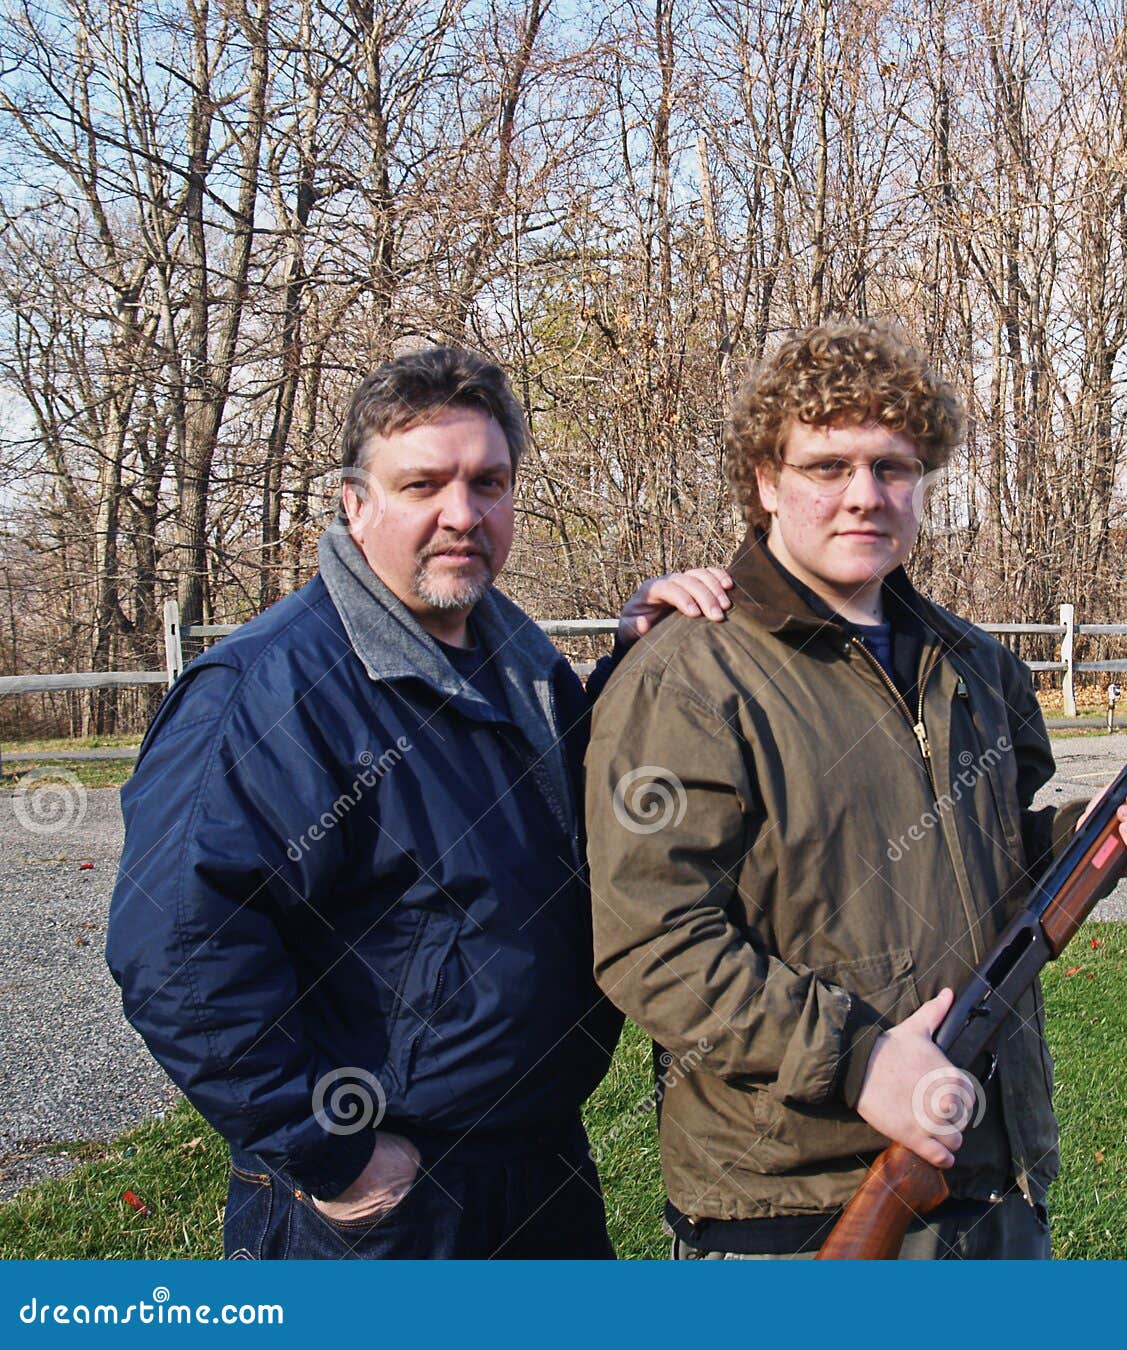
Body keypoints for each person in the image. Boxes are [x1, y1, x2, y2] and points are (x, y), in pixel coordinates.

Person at [106, 346, 732, 1259]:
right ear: (357, 505)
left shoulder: (508, 646)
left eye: (489, 481)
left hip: (537, 1168)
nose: (461, 514)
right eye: (423, 484)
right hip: (395, 1206)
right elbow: (174, 951)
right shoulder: (270, 692)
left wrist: (628, 670)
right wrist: (330, 1152)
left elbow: (549, 811)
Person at [586, 319, 1127, 1259]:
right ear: (765, 483)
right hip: (792, 1208)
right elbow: (651, 943)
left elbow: (989, 862)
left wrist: (1095, 836)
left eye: (893, 469)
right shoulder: (688, 676)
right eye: (827, 467)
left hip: (984, 1176)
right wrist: (864, 1062)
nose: (863, 497)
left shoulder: (976, 666)